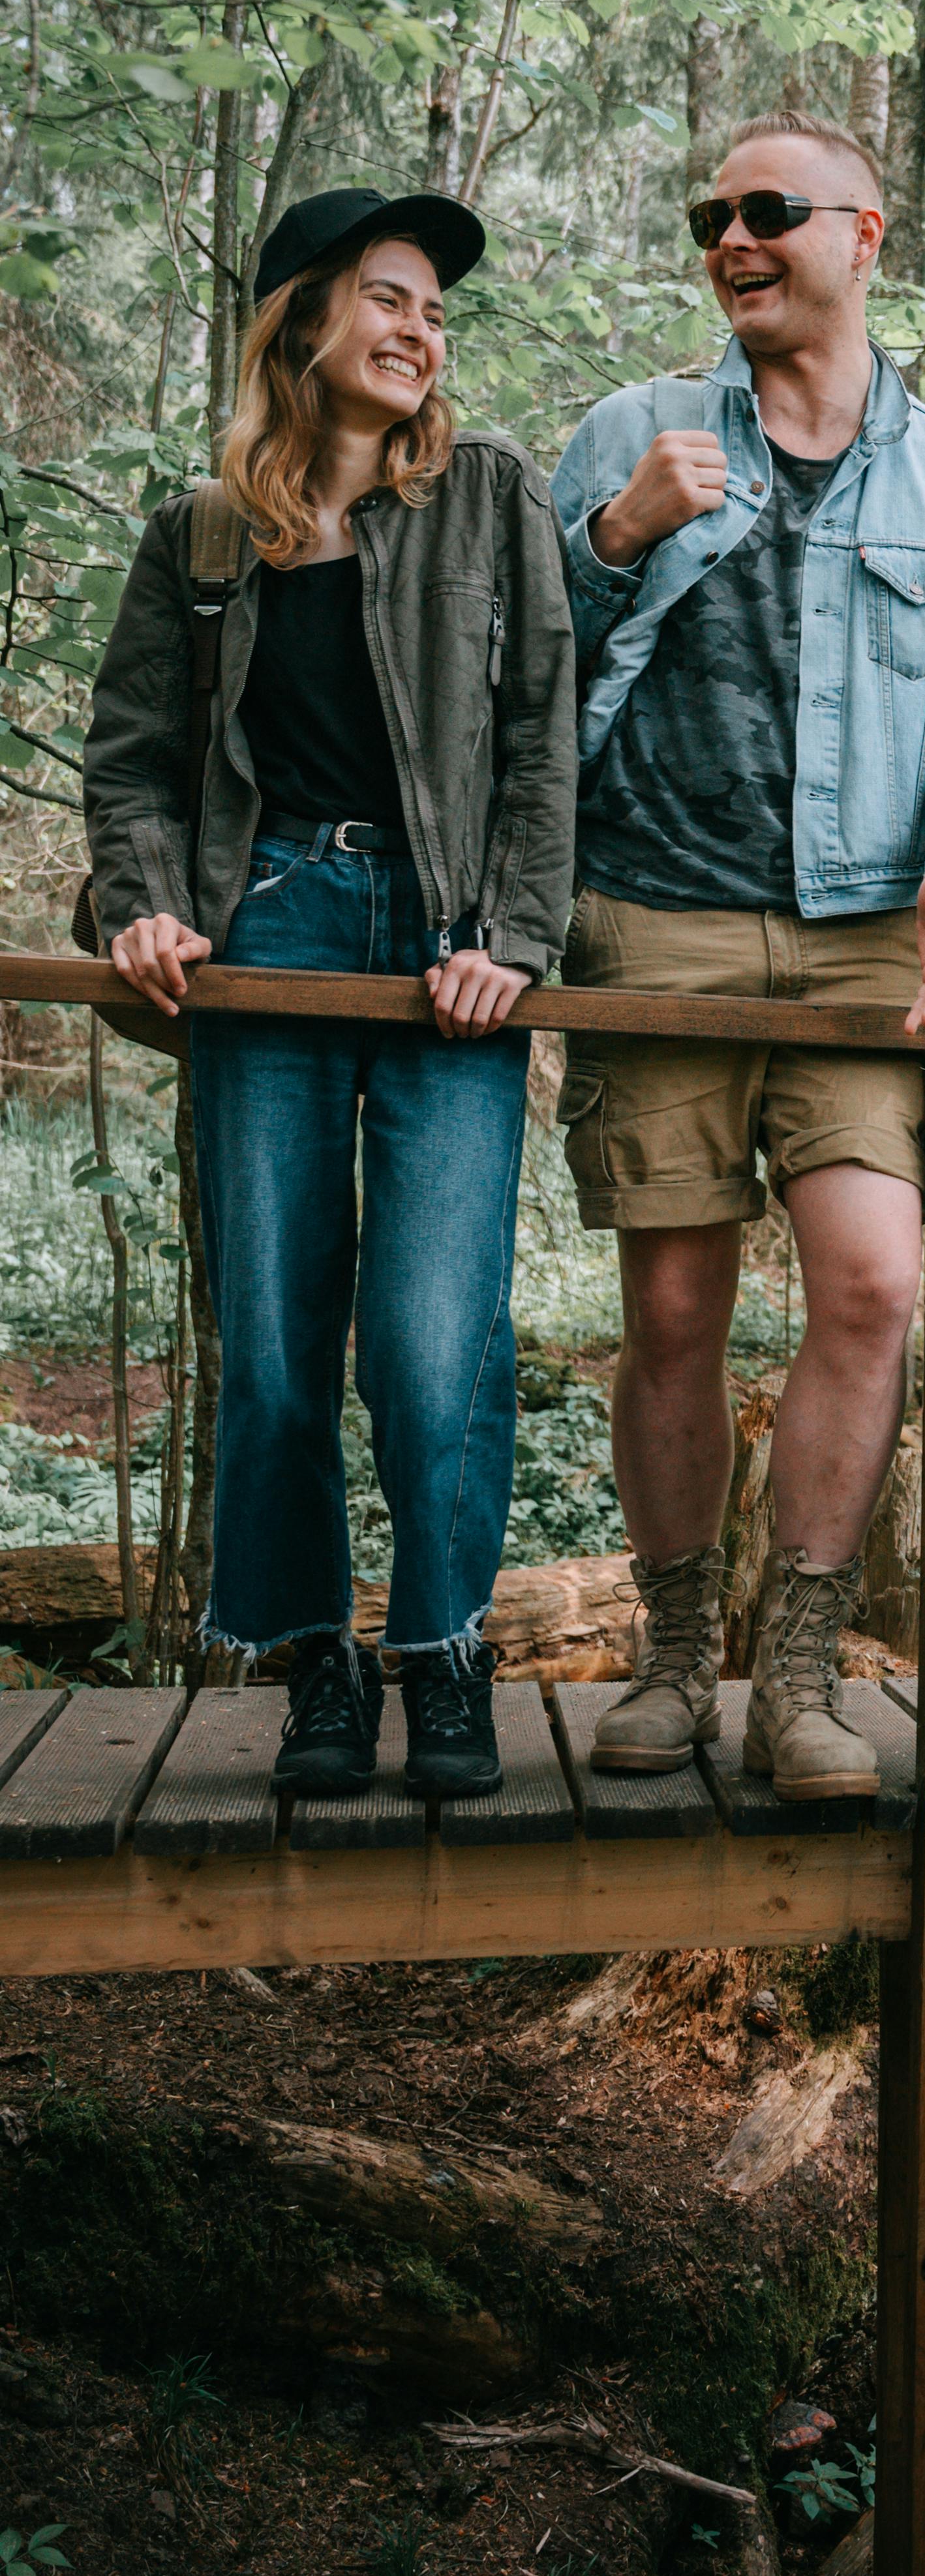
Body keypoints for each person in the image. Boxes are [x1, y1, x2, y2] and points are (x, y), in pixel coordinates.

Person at [549, 114, 925, 1801]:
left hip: (860, 946)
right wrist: (614, 542)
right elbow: (513, 682)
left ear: (863, 234)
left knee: (875, 1285)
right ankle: (676, 1653)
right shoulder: (630, 435)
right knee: (674, 1307)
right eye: (713, 218)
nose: (733, 241)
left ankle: (801, 1674)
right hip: (655, 925)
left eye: (768, 212)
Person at [82, 185, 575, 1799]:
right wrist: (148, 909)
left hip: (450, 957)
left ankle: (441, 1654)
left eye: (436, 310)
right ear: (301, 319)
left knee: (434, 1342)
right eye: (387, 297)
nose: (421, 331)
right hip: (273, 933)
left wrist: (510, 930)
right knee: (280, 1342)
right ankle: (313, 1657)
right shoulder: (202, 538)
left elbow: (537, 740)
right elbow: (135, 764)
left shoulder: (494, 499)